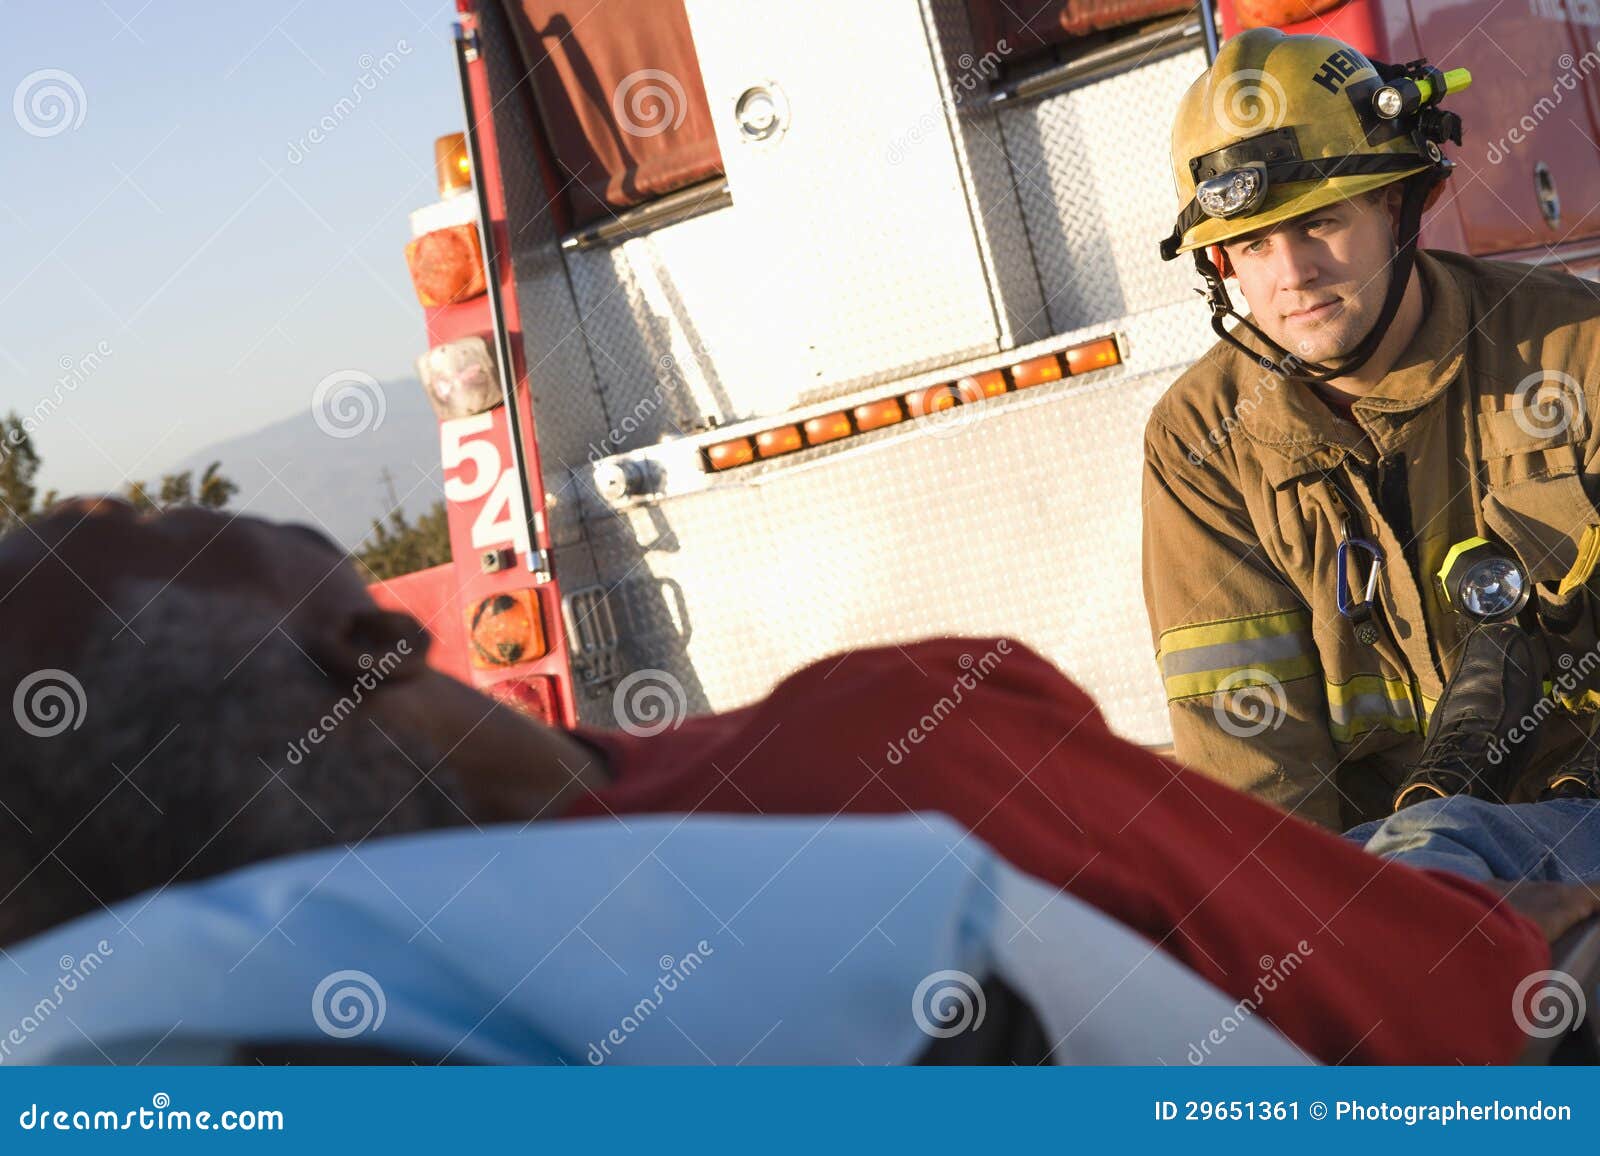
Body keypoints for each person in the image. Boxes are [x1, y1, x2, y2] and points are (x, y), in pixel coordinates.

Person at [0, 499, 1589, 1065]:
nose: (103, 502)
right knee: (1461, 831)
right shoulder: (880, 762)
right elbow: (1462, 1010)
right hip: (1464, 968)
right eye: (108, 523)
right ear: (368, 649)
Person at [1143, 28, 1600, 832]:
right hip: (1381, 870)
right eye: (1253, 244)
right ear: (1221, 267)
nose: (1292, 275)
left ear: (1395, 206)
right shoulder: (1200, 445)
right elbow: (1252, 774)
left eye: (1320, 223)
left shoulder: (1574, 351)